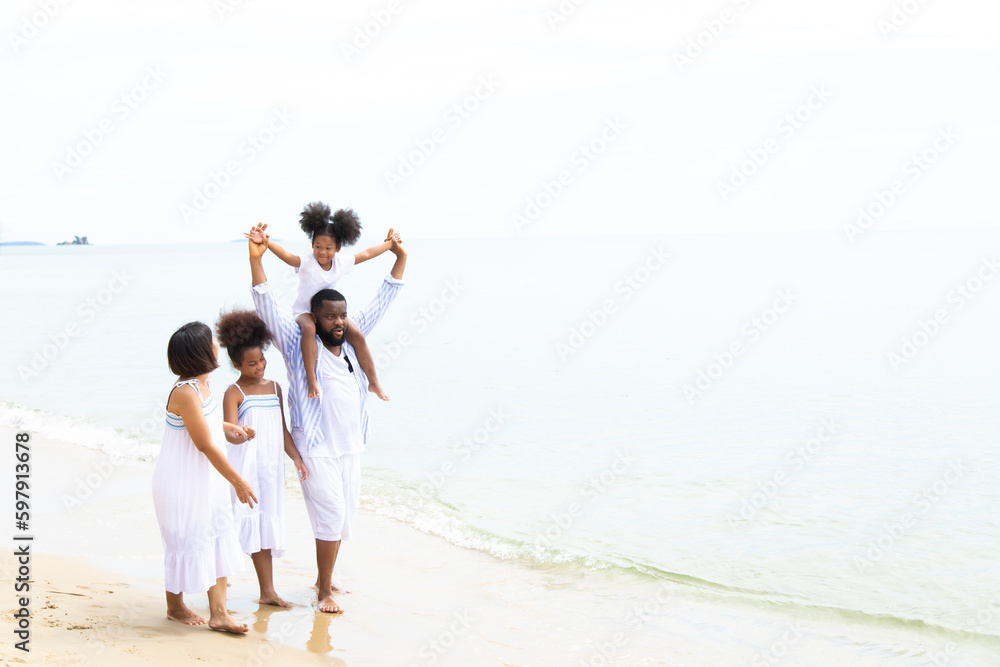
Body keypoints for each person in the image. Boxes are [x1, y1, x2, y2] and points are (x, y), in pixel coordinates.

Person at [246, 221, 407, 614]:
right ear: (315, 318)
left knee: (342, 515)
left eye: (342, 317)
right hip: (315, 446)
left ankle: (324, 578)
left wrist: (399, 256)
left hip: (350, 447)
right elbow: (266, 303)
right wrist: (257, 259)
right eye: (330, 317)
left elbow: (383, 300)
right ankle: (323, 594)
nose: (338, 322)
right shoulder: (298, 344)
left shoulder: (350, 343)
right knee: (331, 514)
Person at [151, 321, 258, 634]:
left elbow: (206, 423)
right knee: (185, 539)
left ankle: (220, 613)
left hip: (204, 477)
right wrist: (237, 480)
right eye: (212, 339)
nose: (217, 342)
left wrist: (231, 428)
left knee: (217, 536)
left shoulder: (203, 385)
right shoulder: (185, 392)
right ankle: (174, 606)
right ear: (202, 352)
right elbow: (204, 444)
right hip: (181, 480)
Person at [245, 201, 397, 402]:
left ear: (338, 248)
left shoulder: (341, 263)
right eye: (317, 246)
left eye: (328, 248)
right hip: (305, 312)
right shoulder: (308, 262)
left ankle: (374, 382)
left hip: (328, 313)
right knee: (308, 330)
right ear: (312, 244)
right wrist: (267, 242)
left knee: (358, 335)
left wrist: (389, 245)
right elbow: (288, 257)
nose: (322, 252)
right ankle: (311, 379)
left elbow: (367, 254)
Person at [216, 309, 309, 608]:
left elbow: (282, 431)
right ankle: (218, 585)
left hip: (270, 471)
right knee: (231, 525)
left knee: (264, 528)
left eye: (262, 360)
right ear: (236, 364)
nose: (259, 367)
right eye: (252, 363)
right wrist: (240, 432)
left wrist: (296, 458)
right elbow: (228, 432)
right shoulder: (234, 392)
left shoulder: (275, 388)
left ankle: (267, 591)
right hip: (244, 469)